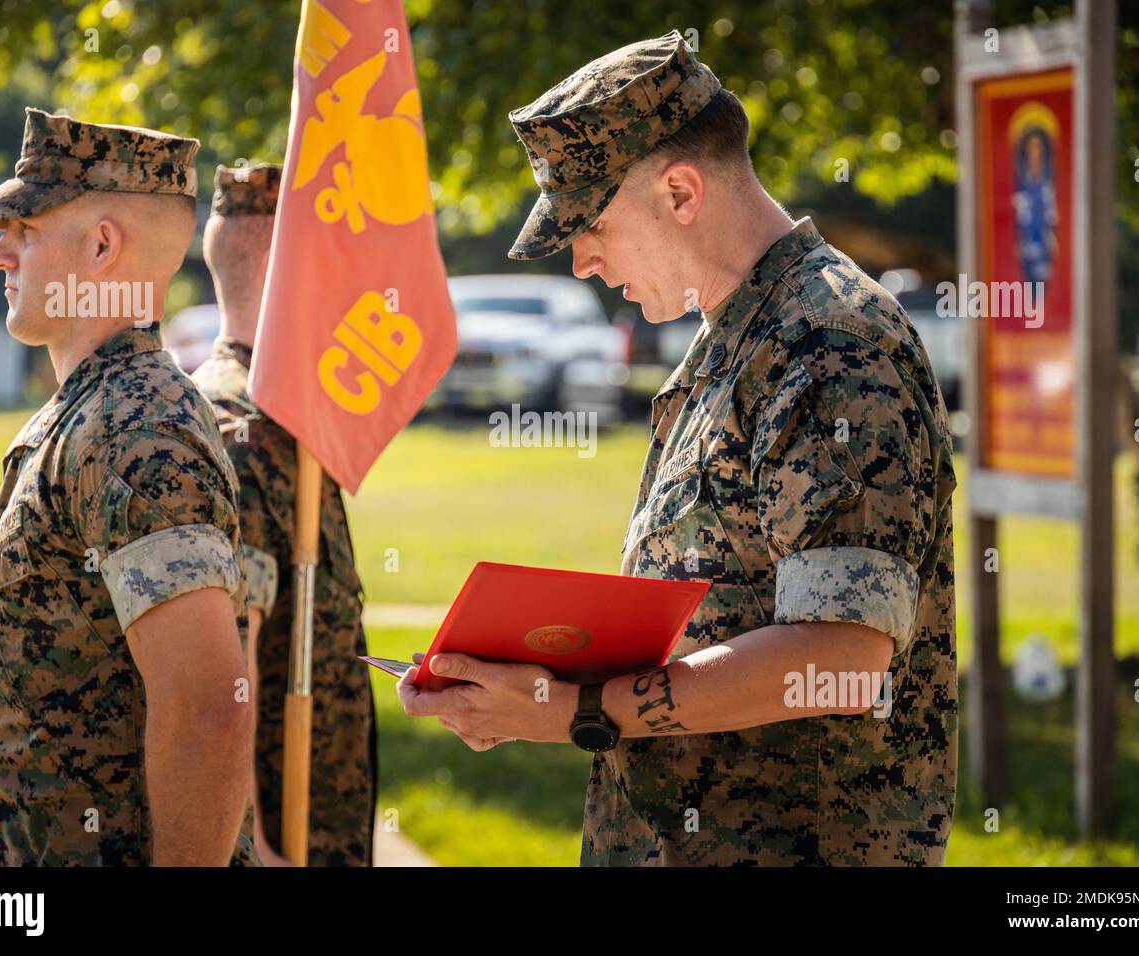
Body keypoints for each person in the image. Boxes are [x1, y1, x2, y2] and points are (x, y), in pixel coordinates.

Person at [398, 32, 958, 866]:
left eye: (590, 225)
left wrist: (576, 708)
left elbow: (843, 655)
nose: (582, 262)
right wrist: (526, 674)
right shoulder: (741, 337)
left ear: (682, 192)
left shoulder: (830, 342)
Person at [0, 107, 259, 866]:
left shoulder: (137, 426)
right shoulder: (99, 409)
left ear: (100, 247)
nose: (0, 255)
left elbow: (207, 707)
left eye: (24, 228)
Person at [193, 163, 376, 866]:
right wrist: (263, 848)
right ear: (283, 266)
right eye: (337, 258)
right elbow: (222, 683)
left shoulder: (286, 420)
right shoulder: (236, 434)